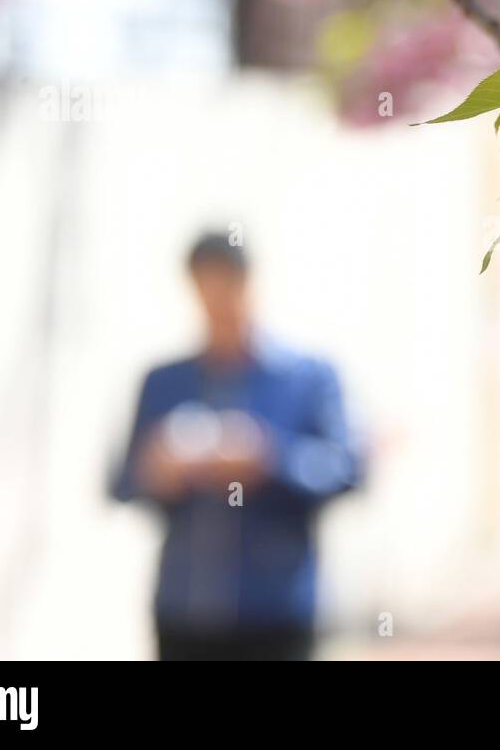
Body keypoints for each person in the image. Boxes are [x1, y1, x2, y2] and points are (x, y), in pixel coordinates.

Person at [112, 232, 361, 660]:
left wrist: (270, 458)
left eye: (225, 287)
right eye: (204, 290)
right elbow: (121, 483)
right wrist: (158, 472)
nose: (216, 305)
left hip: (275, 615)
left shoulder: (306, 378)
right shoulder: (164, 383)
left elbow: (346, 470)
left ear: (247, 284)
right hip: (184, 615)